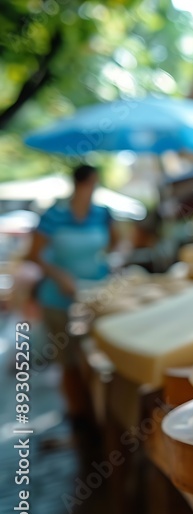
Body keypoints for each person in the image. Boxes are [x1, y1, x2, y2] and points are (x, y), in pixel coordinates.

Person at [26, 165, 117, 433]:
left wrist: (111, 262)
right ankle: (79, 418)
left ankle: (97, 414)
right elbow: (34, 255)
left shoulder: (102, 213)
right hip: (58, 298)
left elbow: (117, 243)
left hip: (95, 295)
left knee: (95, 356)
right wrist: (59, 275)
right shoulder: (53, 216)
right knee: (68, 361)